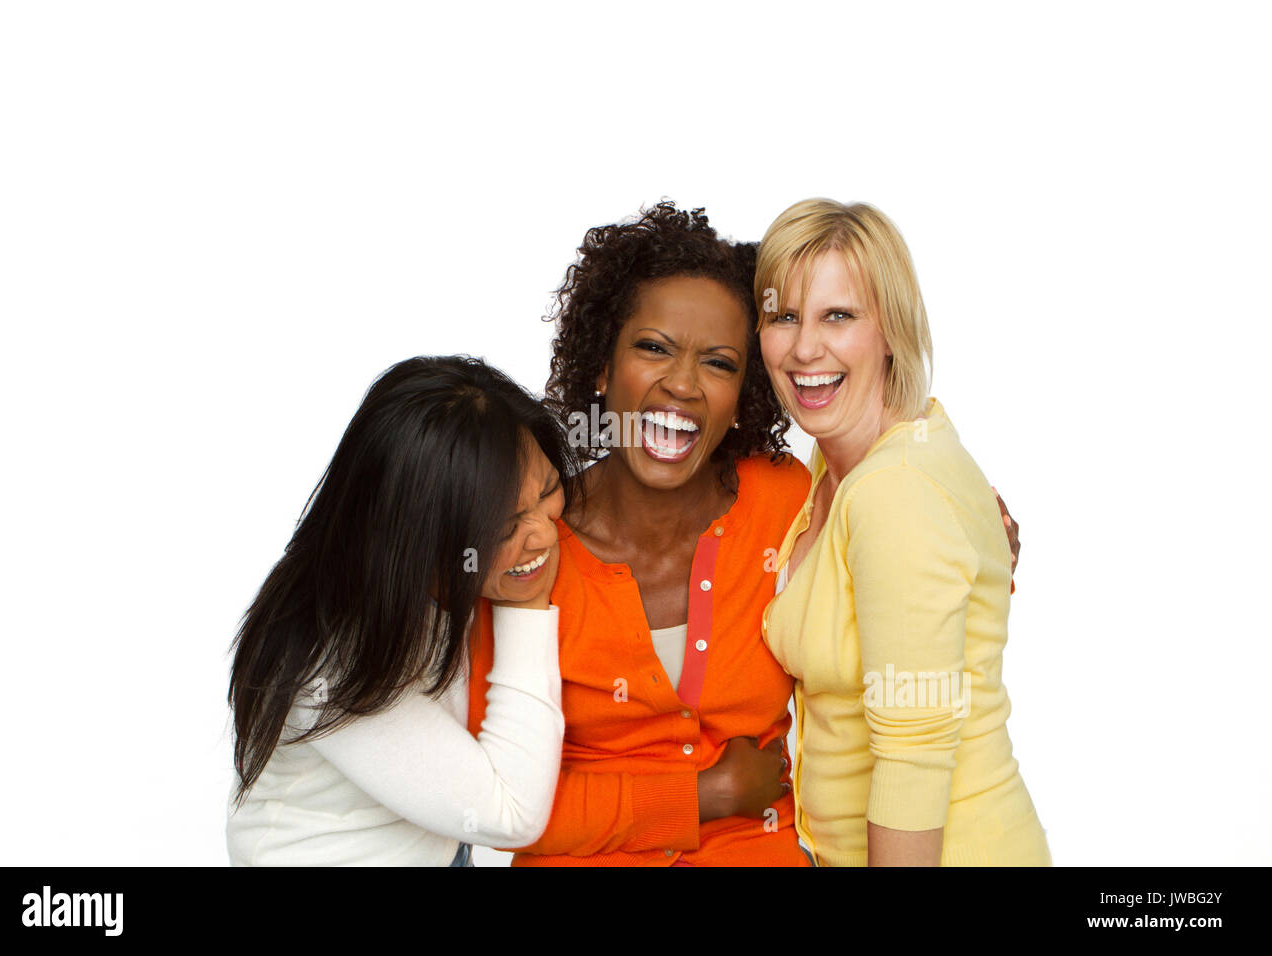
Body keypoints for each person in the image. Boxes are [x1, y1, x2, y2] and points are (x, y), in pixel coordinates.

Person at [464, 203, 819, 865]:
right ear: (602, 368)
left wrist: (965, 535)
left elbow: (885, 545)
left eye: (718, 363)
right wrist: (705, 793)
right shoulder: (526, 542)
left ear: (744, 395)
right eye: (653, 348)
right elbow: (501, 804)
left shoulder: (784, 499)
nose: (681, 383)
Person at [756, 199, 1050, 866]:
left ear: (890, 328)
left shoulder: (894, 489)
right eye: (783, 316)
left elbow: (912, 759)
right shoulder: (830, 467)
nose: (806, 347)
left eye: (838, 315)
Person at [226, 355, 570, 866]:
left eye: (547, 492)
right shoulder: (333, 653)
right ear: (420, 534)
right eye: (505, 524)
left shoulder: (447, 570)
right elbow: (512, 813)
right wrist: (527, 606)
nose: (544, 532)